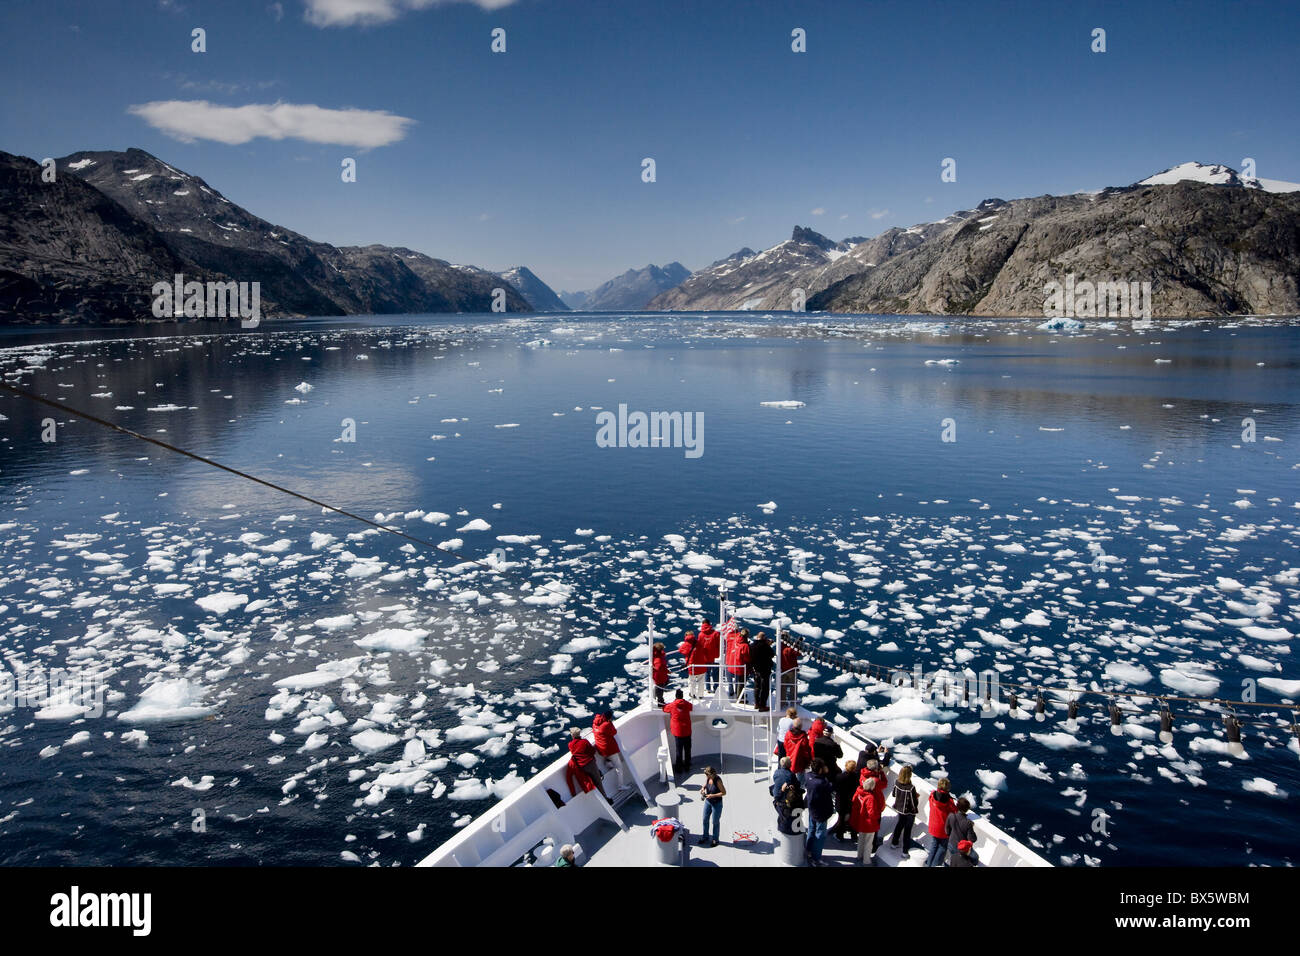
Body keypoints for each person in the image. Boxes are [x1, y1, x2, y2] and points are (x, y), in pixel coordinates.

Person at [803, 759, 835, 865]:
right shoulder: (822, 783)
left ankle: (808, 851)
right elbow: (831, 787)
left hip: (812, 809)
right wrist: (826, 772)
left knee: (811, 830)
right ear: (821, 769)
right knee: (820, 835)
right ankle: (816, 857)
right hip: (821, 812)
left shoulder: (808, 776)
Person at [858, 756, 890, 854]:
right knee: (874, 827)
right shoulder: (875, 780)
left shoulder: (863, 774)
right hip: (874, 806)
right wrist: (881, 773)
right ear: (875, 768)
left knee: (864, 828)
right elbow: (884, 784)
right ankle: (871, 848)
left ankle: (860, 850)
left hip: (863, 803)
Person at [567, 727, 608, 799]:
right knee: (598, 782)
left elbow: (574, 753)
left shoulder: (570, 744)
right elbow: (592, 751)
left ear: (572, 735)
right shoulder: (584, 742)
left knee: (590, 784)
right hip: (591, 764)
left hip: (582, 767)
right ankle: (605, 798)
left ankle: (600, 800)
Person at [888, 764, 920, 855]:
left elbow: (894, 794)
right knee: (907, 830)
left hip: (899, 809)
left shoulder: (896, 782)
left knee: (899, 825)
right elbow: (914, 803)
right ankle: (905, 851)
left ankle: (894, 843)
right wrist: (916, 798)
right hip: (909, 811)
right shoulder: (911, 788)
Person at [925, 778, 957, 867]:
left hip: (933, 826)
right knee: (942, 847)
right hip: (943, 829)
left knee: (934, 845)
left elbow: (931, 802)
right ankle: (935, 865)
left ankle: (929, 864)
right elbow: (955, 811)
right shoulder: (949, 801)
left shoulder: (932, 795)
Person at [851, 776, 883, 865]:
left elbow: (854, 803)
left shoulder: (859, 793)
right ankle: (866, 861)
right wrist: (877, 816)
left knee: (861, 840)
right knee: (868, 843)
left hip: (861, 821)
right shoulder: (870, 798)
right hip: (869, 824)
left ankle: (859, 856)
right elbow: (872, 813)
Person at [663, 690, 693, 775]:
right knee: (687, 749)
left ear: (676, 696)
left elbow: (665, 709)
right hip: (687, 731)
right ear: (682, 696)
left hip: (678, 732)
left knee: (679, 751)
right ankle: (687, 766)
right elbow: (691, 707)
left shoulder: (672, 705)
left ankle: (679, 768)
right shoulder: (686, 704)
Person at [832, 759, 859, 841]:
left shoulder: (840, 777)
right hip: (850, 800)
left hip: (841, 800)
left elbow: (835, 787)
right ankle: (853, 835)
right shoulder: (856, 777)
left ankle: (839, 835)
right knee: (850, 817)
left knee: (841, 818)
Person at [944, 796, 976, 866]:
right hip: (962, 848)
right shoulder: (968, 823)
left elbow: (947, 831)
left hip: (951, 844)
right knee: (975, 858)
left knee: (953, 859)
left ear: (957, 806)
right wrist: (971, 826)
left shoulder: (951, 816)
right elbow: (972, 839)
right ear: (967, 809)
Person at [700, 766, 726, 847]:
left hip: (716, 804)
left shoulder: (718, 780)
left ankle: (715, 839)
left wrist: (713, 795)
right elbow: (706, 784)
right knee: (705, 819)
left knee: (715, 822)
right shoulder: (708, 778)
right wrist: (703, 788)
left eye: (707, 775)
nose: (706, 776)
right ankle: (705, 837)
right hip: (708, 802)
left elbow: (724, 792)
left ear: (711, 774)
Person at [749, 632, 775, 711]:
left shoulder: (752, 645)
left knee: (757, 687)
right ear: (764, 638)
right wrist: (768, 645)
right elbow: (772, 654)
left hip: (756, 669)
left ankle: (756, 703)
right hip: (765, 670)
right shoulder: (765, 646)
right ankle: (762, 705)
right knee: (764, 688)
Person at [783, 717, 812, 782]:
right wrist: (808, 761)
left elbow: (785, 745)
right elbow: (805, 751)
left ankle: (791, 787)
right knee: (800, 777)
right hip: (799, 760)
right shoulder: (803, 737)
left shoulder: (788, 734)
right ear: (801, 726)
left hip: (789, 758)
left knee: (790, 776)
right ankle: (800, 789)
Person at [725, 628, 751, 701]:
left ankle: (732, 692)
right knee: (740, 682)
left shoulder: (735, 641)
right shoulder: (745, 645)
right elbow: (747, 658)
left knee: (732, 681)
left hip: (731, 664)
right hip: (740, 666)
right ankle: (740, 698)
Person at [679, 631, 705, 698]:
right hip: (701, 665)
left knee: (691, 681)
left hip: (692, 666)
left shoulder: (686, 644)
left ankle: (692, 694)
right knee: (701, 681)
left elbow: (680, 650)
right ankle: (700, 695)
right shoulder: (699, 643)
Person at [697, 619, 720, 692]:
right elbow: (720, 645)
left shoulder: (700, 634)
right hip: (715, 657)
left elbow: (699, 646)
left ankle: (708, 688)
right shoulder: (716, 633)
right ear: (709, 624)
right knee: (715, 673)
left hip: (705, 658)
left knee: (707, 673)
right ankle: (716, 688)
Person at [778, 633, 800, 707]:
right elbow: (797, 653)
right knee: (793, 686)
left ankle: (782, 702)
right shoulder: (788, 648)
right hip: (791, 670)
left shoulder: (779, 647)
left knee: (782, 687)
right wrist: (796, 645)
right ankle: (793, 702)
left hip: (783, 670)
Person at [651, 641, 670, 706]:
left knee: (660, 688)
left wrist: (653, 668)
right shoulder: (660, 657)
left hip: (660, 676)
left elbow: (659, 667)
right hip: (661, 676)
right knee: (660, 688)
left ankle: (660, 701)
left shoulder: (658, 657)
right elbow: (660, 667)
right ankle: (660, 702)